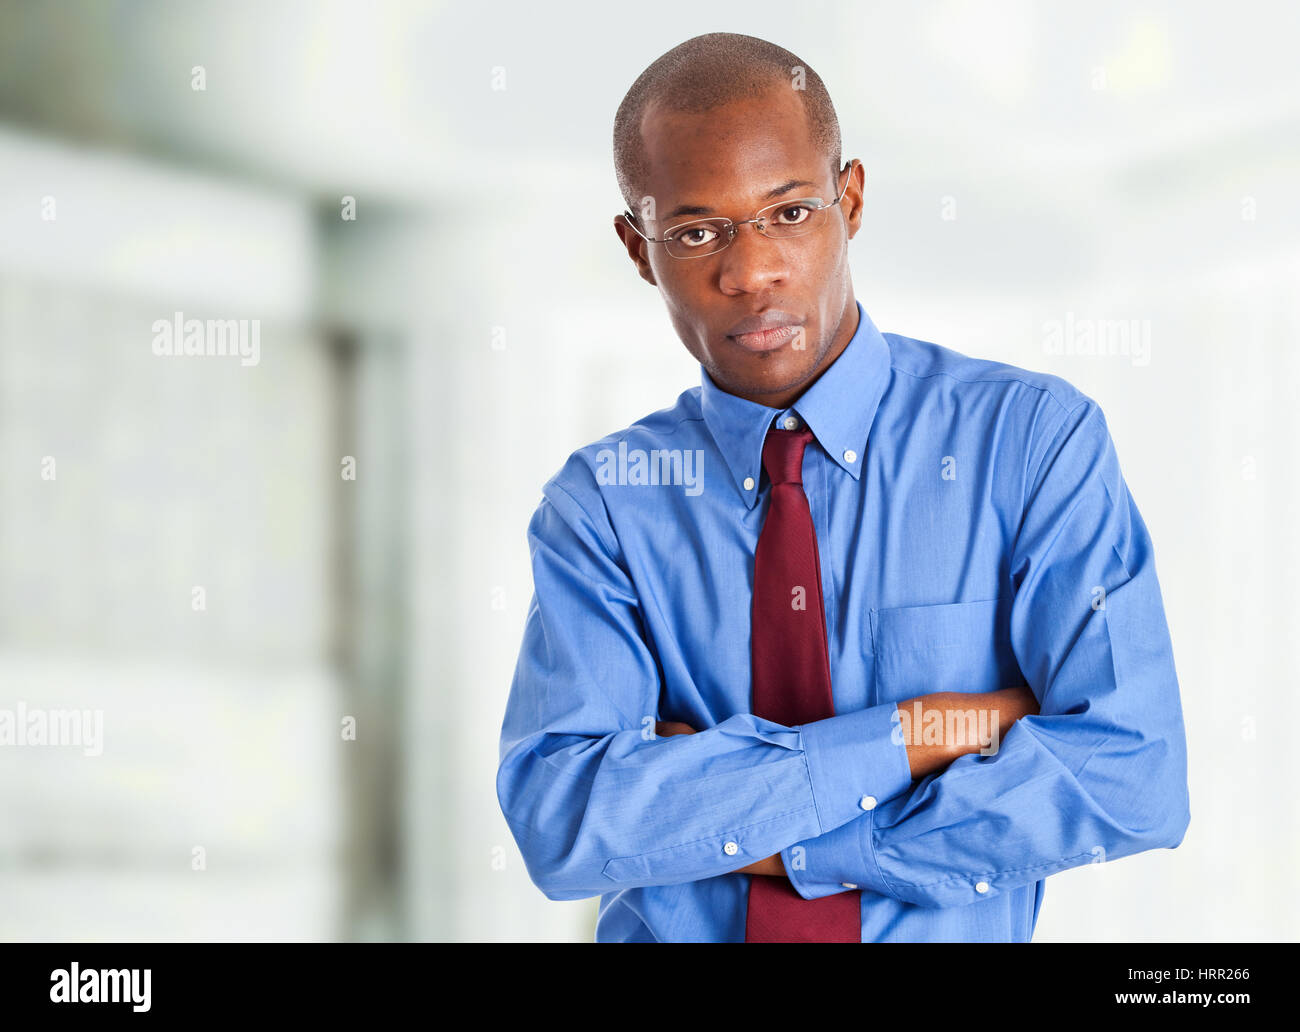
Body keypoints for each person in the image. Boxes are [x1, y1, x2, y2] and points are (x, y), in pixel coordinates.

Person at [495, 31, 1190, 942]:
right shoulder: (604, 507)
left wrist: (768, 835)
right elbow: (566, 818)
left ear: (849, 199)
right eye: (698, 232)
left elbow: (1129, 778)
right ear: (638, 249)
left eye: (788, 213)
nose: (751, 272)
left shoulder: (1030, 443)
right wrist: (914, 734)